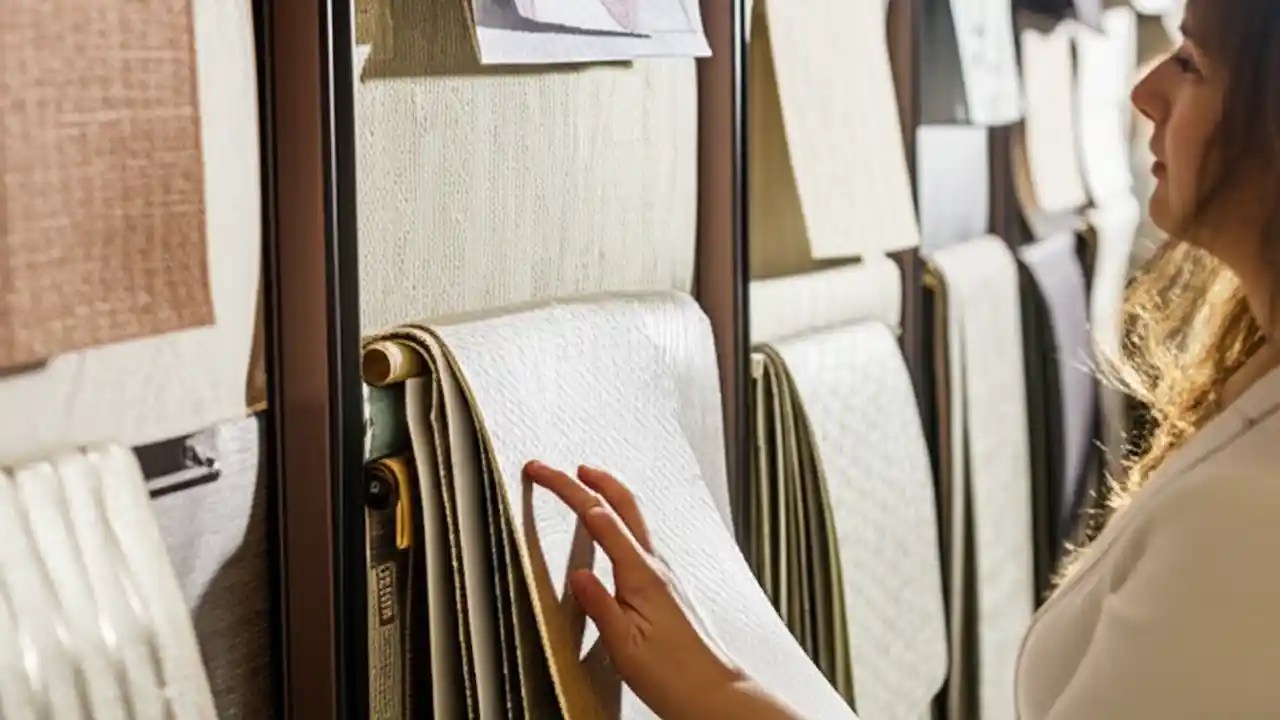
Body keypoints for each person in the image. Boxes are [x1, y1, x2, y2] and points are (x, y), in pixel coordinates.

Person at [524, 0, 1280, 715]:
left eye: (1193, 62)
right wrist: (719, 678)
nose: (1145, 90)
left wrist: (715, 699)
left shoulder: (1251, 513)